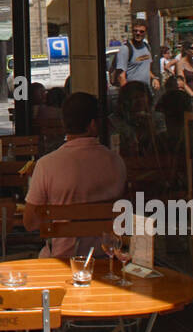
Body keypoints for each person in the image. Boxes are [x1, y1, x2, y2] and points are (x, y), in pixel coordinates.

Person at [23, 92, 126, 259]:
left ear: (64, 123)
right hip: (106, 258)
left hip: (61, 259)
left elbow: (29, 223)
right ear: (93, 125)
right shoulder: (117, 162)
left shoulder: (46, 165)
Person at [116, 21, 160, 91]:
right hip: (133, 92)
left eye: (141, 31)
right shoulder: (125, 49)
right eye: (135, 31)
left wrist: (154, 78)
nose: (138, 33)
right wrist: (126, 94)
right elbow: (121, 76)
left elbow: (146, 69)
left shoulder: (147, 47)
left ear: (145, 33)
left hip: (146, 92)